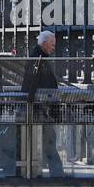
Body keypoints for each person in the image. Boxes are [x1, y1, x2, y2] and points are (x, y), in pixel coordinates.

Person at [27, 30, 64, 176]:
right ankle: (57, 173)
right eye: (52, 44)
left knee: (44, 141)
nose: (54, 47)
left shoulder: (37, 57)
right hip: (42, 108)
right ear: (44, 43)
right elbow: (36, 82)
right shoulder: (39, 59)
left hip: (40, 107)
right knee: (49, 142)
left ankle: (36, 171)